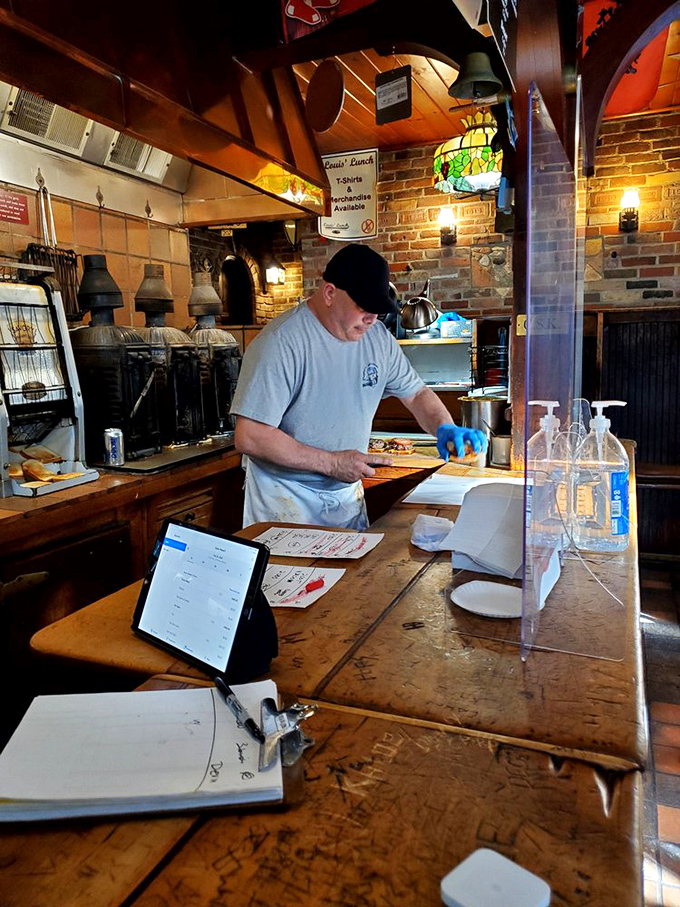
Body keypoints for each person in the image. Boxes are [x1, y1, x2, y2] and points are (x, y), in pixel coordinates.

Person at [231, 244, 486, 530]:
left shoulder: (377, 338)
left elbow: (416, 394)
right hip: (284, 498)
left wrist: (443, 427)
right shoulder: (281, 343)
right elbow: (250, 436)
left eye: (378, 311)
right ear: (329, 293)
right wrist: (331, 464)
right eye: (364, 308)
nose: (372, 319)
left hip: (345, 494)